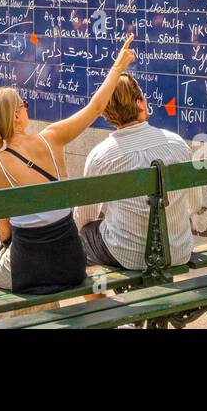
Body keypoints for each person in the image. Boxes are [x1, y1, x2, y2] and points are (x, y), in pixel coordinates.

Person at [0, 33, 137, 297]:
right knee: (95, 275)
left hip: (26, 271)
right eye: (24, 105)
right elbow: (96, 106)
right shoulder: (53, 139)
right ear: (18, 116)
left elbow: (4, 231)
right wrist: (117, 67)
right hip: (70, 265)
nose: (26, 109)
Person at [74, 72, 195, 270]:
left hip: (126, 255)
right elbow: (194, 204)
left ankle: (99, 300)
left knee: (83, 236)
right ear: (139, 103)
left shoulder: (101, 156)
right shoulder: (178, 144)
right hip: (178, 251)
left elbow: (84, 217)